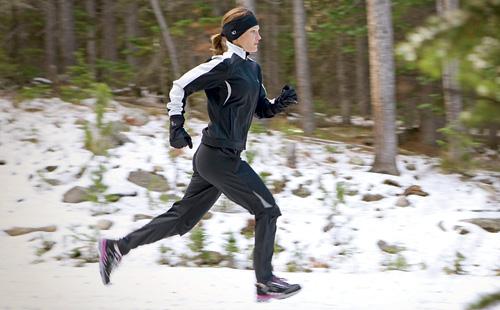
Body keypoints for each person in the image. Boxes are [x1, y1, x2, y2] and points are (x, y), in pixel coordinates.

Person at [98, 7, 301, 302]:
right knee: (267, 210)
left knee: (182, 220)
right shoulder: (223, 65)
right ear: (237, 35)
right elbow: (179, 86)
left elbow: (259, 110)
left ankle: (117, 247)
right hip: (219, 157)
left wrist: (279, 103)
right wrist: (176, 125)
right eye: (254, 31)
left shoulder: (252, 69)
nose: (260, 36)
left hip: (218, 158)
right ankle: (265, 282)